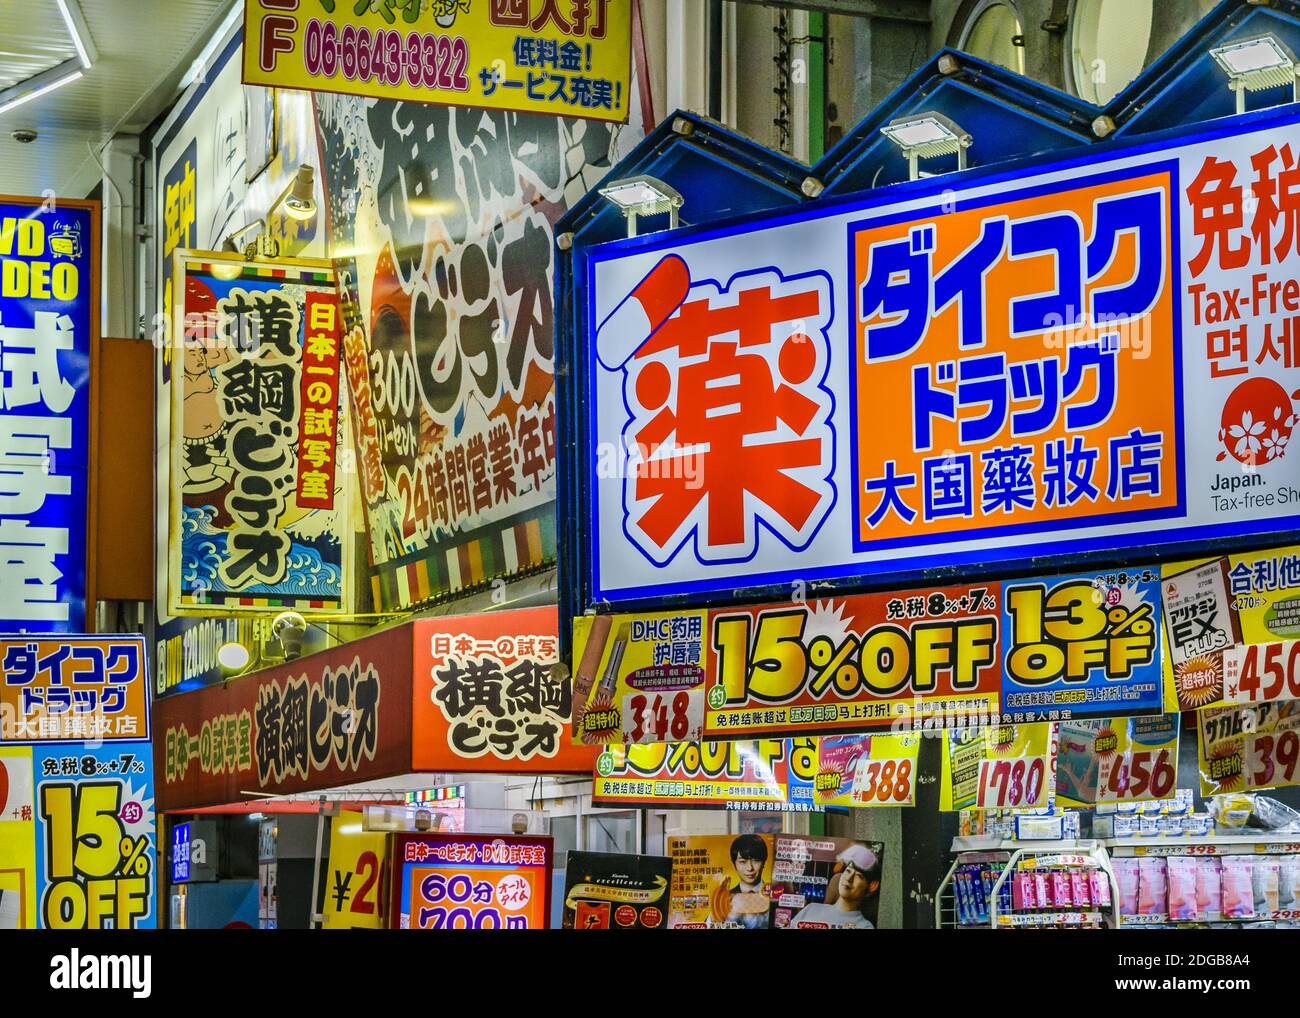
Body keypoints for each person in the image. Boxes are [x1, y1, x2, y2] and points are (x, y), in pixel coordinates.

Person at [790, 843, 881, 929]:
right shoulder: (811, 909)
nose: (848, 878)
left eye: (858, 876)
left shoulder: (864, 926)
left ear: (872, 886)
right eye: (848, 871)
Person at [720, 834, 770, 929]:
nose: (750, 868)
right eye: (743, 861)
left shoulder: (775, 895)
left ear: (764, 862)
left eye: (756, 860)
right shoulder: (726, 898)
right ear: (734, 864)